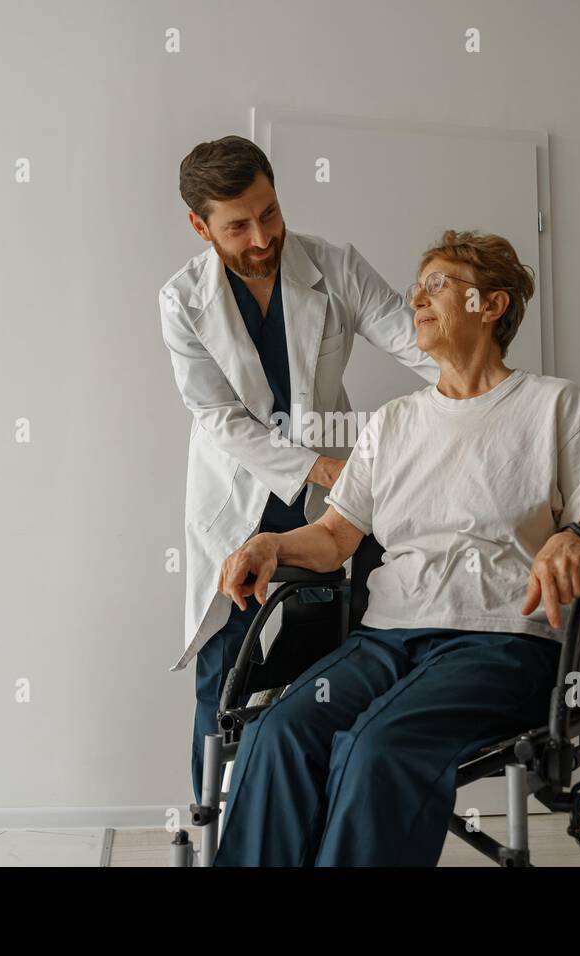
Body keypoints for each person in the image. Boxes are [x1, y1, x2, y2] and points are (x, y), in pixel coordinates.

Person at [211, 230, 580, 866]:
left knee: (377, 746)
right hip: (386, 640)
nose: (417, 298)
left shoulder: (554, 406)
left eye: (437, 284)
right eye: (417, 286)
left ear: (490, 305)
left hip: (501, 643)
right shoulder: (393, 423)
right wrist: (272, 542)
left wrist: (575, 537)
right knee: (280, 732)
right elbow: (334, 538)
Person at [158, 136, 439, 806]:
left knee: (324, 655)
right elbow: (219, 418)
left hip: (324, 508)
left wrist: (483, 396)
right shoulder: (181, 301)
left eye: (270, 212)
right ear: (201, 226)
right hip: (240, 499)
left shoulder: (333, 267)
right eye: (238, 225)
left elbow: (414, 341)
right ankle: (214, 822)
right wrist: (322, 466)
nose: (262, 237)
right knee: (224, 667)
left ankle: (306, 809)